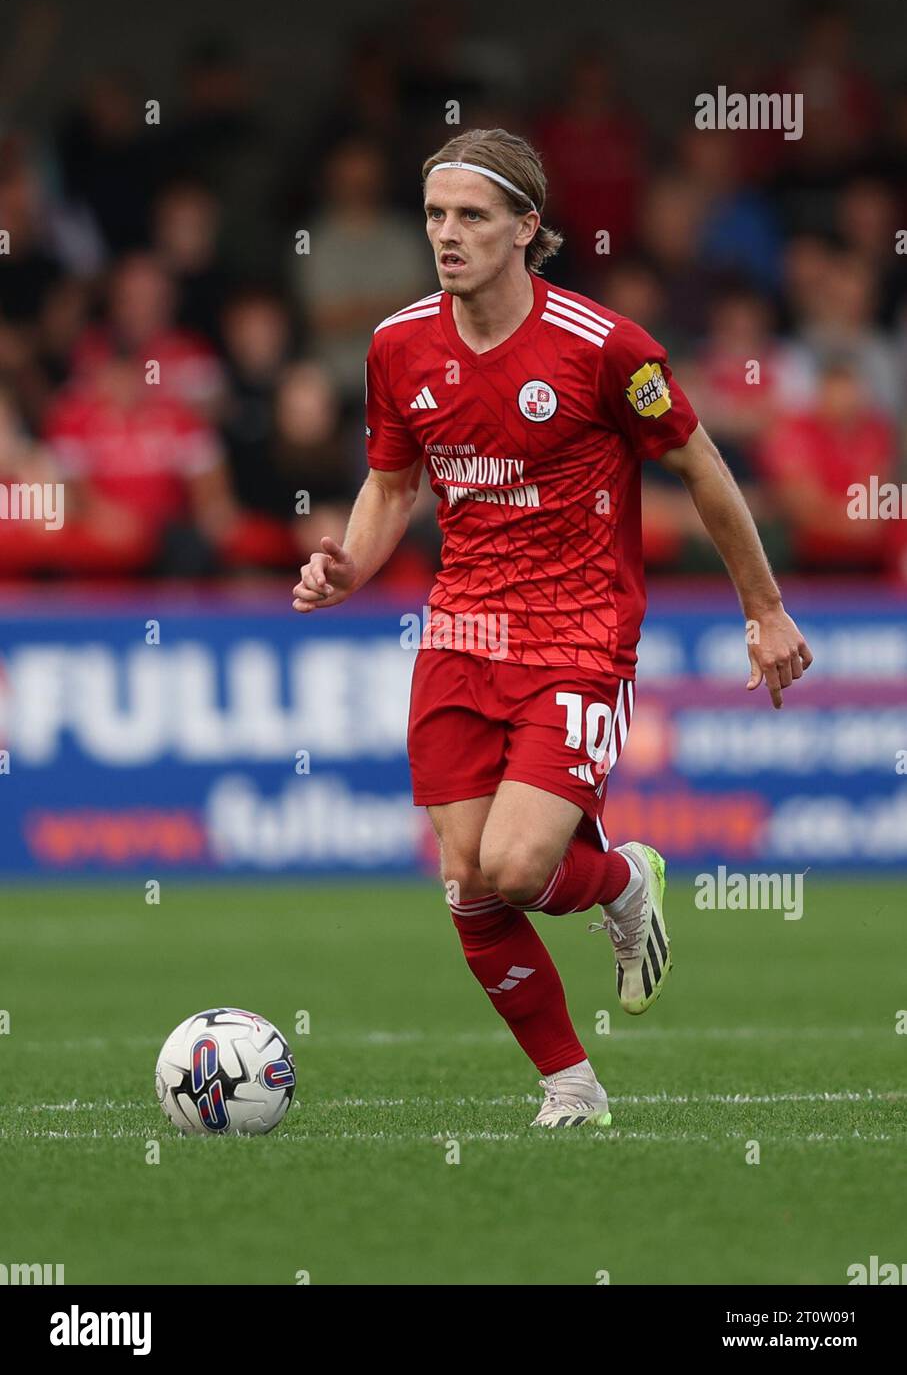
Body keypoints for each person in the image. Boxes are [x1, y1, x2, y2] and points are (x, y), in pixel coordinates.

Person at [292, 129, 813, 1128]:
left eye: (472, 216)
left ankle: (621, 879)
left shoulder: (605, 348)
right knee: (464, 880)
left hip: (578, 635)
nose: (447, 235)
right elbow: (394, 480)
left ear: (527, 228)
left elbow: (701, 468)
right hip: (458, 635)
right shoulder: (399, 344)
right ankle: (570, 1086)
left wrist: (765, 607)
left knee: (519, 868)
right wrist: (349, 563)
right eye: (436, 214)